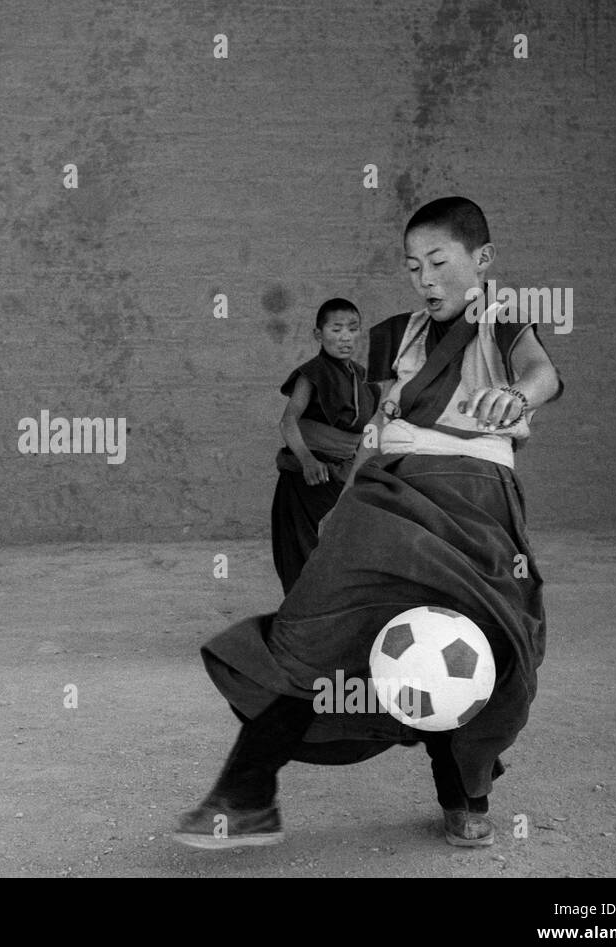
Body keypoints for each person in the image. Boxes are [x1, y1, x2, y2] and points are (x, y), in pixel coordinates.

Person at [175, 196, 563, 850]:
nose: (426, 279)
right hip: (387, 503)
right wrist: (341, 510)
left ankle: (465, 793)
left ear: (483, 260)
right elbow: (368, 430)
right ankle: (245, 794)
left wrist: (517, 395)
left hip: (481, 507)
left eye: (439, 261)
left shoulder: (506, 326)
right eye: (413, 267)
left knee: (482, 646)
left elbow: (541, 374)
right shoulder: (390, 336)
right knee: (314, 633)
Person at [272, 298, 378, 595]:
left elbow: (372, 433)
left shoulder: (364, 378)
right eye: (336, 329)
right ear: (319, 334)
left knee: (346, 551)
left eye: (352, 329)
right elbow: (288, 421)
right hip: (308, 480)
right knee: (306, 555)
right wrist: (307, 460)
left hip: (345, 477)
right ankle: (302, 622)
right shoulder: (312, 373)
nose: (345, 337)